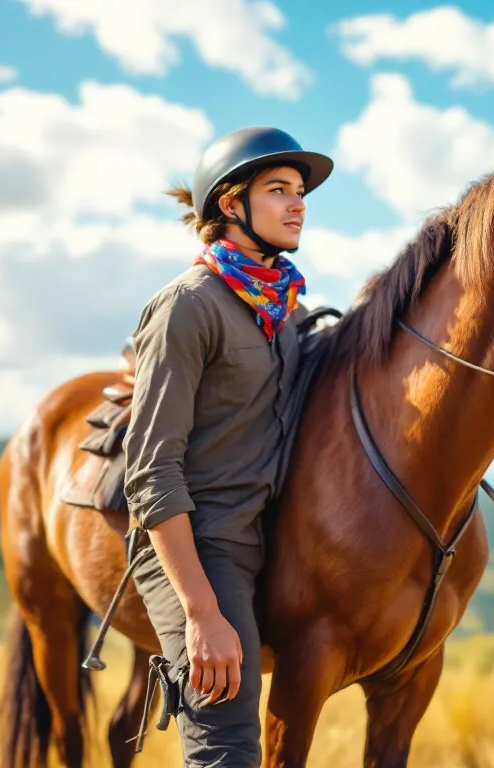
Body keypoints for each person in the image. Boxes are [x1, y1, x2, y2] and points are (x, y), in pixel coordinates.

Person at [122, 126, 333, 766]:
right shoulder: (188, 306)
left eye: (299, 192)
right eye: (278, 190)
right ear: (230, 206)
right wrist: (202, 612)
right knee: (226, 750)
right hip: (201, 542)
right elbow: (151, 471)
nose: (298, 204)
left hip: (269, 532)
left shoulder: (284, 309)